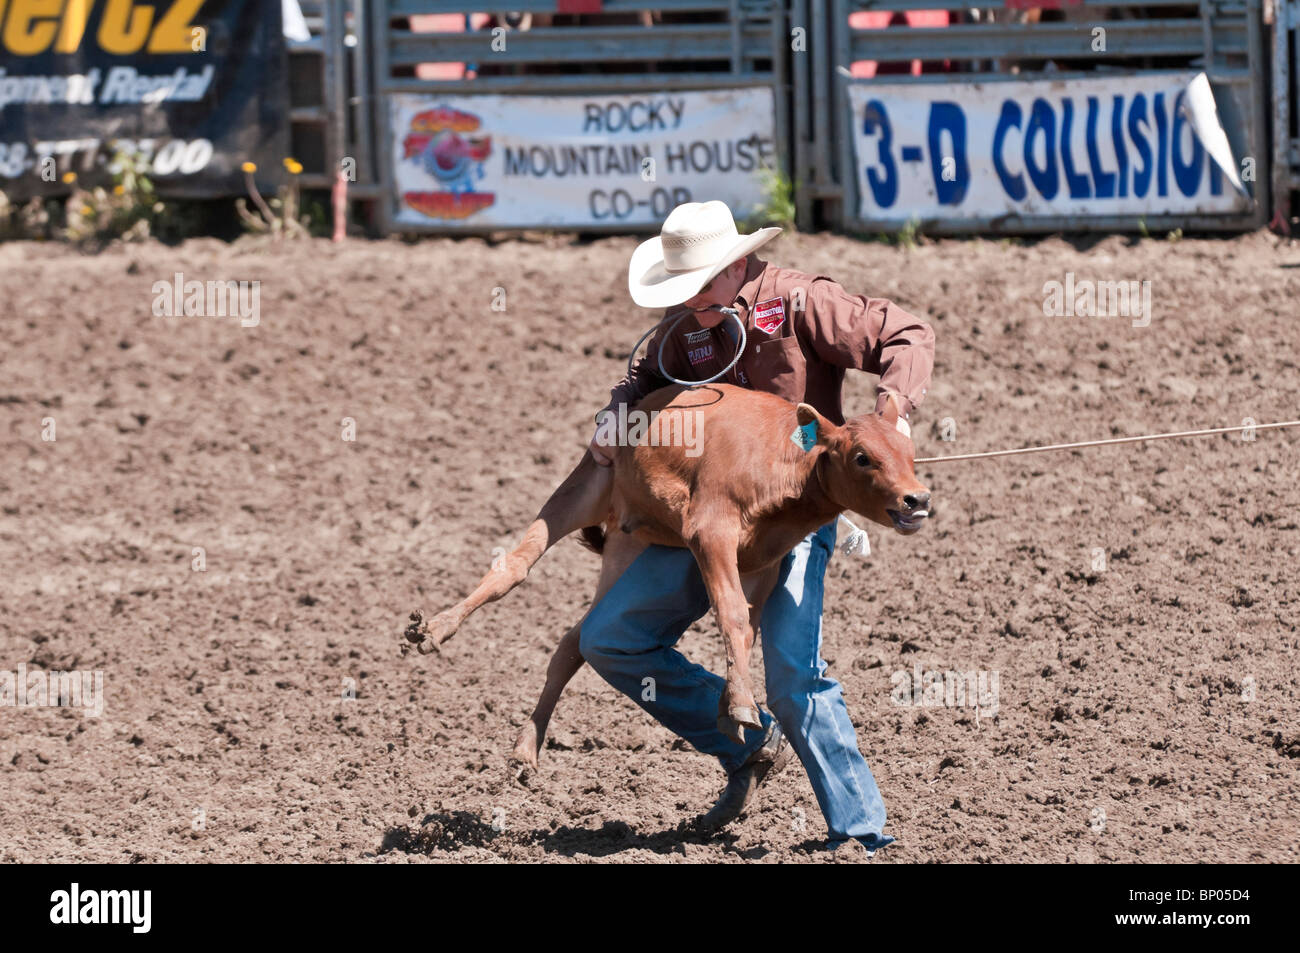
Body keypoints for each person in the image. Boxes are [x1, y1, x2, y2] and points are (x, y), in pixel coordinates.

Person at [580, 200, 935, 850]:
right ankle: (743, 735)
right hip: (707, 519)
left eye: (699, 281)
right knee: (607, 637)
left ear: (735, 264)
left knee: (792, 674)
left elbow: (906, 333)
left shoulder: (801, 302)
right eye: (680, 284)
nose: (687, 297)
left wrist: (891, 415)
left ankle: (859, 833)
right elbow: (642, 377)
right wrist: (618, 413)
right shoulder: (686, 325)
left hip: (796, 512)